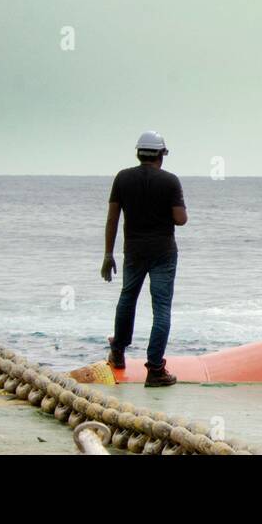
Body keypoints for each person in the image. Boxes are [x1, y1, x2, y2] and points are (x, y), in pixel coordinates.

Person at [102, 130, 187, 387]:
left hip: (134, 252)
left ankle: (118, 353)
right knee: (161, 307)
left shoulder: (122, 178)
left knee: (128, 298)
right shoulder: (170, 181)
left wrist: (108, 254)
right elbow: (180, 220)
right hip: (163, 252)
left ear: (139, 153)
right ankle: (155, 369)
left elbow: (113, 218)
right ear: (160, 155)